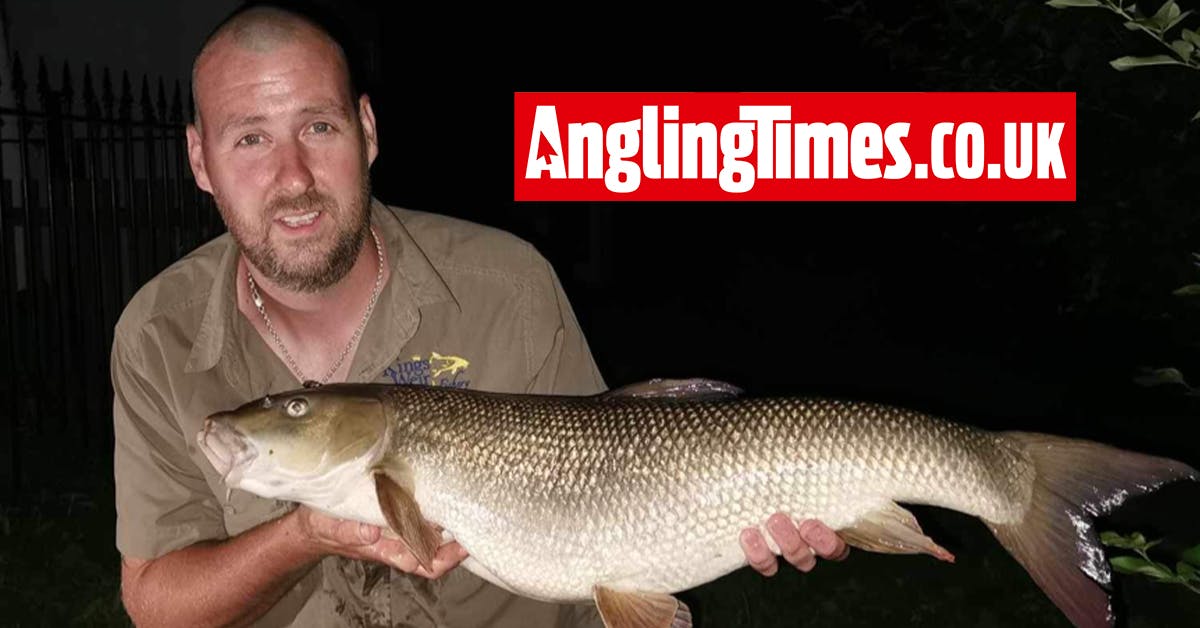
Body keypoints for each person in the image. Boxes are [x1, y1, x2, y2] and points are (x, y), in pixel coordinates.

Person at [111, 3, 850, 626]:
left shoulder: (506, 283)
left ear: (367, 131)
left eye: (319, 127)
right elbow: (155, 601)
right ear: (200, 161)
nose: (293, 177)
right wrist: (305, 534)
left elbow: (619, 477)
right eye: (250, 139)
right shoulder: (156, 335)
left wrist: (758, 505)